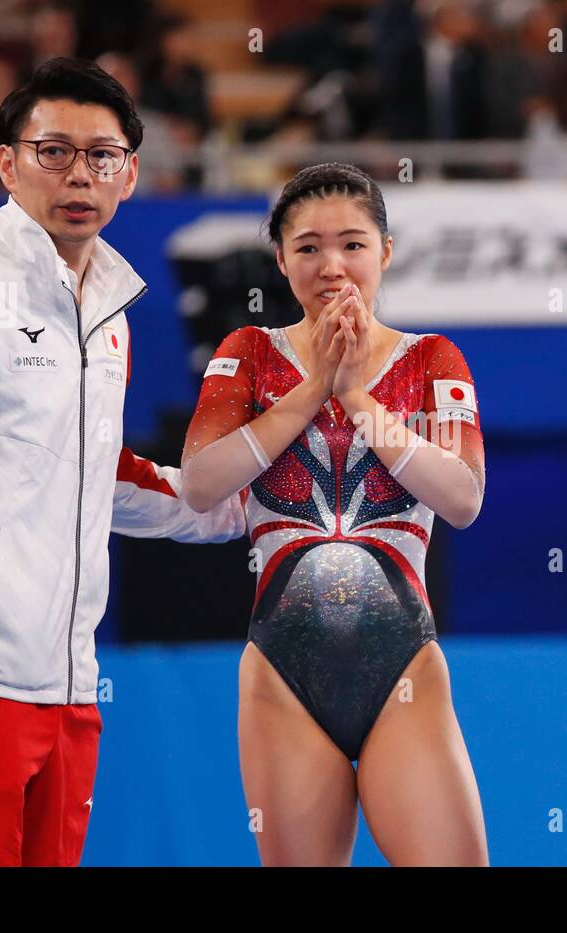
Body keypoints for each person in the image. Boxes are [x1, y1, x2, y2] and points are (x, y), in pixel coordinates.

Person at [0, 57, 245, 867]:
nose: (79, 174)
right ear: (7, 163)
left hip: (67, 691)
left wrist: (237, 509)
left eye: (102, 156)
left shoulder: (109, 314)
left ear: (130, 176)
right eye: (53, 151)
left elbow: (98, 476)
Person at [181, 163, 489, 866]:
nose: (332, 265)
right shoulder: (249, 353)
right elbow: (202, 483)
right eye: (309, 247)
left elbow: (464, 498)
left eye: (352, 244)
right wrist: (314, 385)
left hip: (402, 665)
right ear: (281, 259)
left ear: (386, 251)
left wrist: (357, 398)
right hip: (283, 674)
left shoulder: (433, 358)